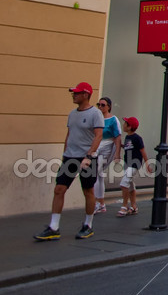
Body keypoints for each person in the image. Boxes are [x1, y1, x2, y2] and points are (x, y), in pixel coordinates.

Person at [34, 82, 104, 241]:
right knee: (59, 189)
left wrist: (89, 156)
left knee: (88, 191)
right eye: (73, 93)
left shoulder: (95, 113)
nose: (74, 95)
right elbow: (69, 134)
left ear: (86, 95)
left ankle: (88, 225)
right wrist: (65, 154)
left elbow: (98, 136)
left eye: (77, 93)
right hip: (70, 157)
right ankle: (54, 227)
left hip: (87, 158)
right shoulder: (72, 114)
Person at [92, 96, 122, 215]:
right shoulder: (96, 118)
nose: (100, 107)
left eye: (103, 105)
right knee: (98, 174)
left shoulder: (114, 120)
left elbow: (117, 137)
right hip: (96, 146)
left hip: (107, 146)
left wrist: (117, 154)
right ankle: (101, 203)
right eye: (98, 104)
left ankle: (97, 203)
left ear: (109, 106)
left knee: (96, 172)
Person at [117, 117, 146, 217]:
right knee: (130, 185)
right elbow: (127, 147)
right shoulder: (127, 137)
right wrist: (119, 144)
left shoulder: (137, 138)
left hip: (134, 164)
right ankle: (134, 206)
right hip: (127, 163)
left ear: (129, 127)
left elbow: (142, 151)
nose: (123, 125)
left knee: (124, 184)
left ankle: (124, 206)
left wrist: (147, 164)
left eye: (125, 123)